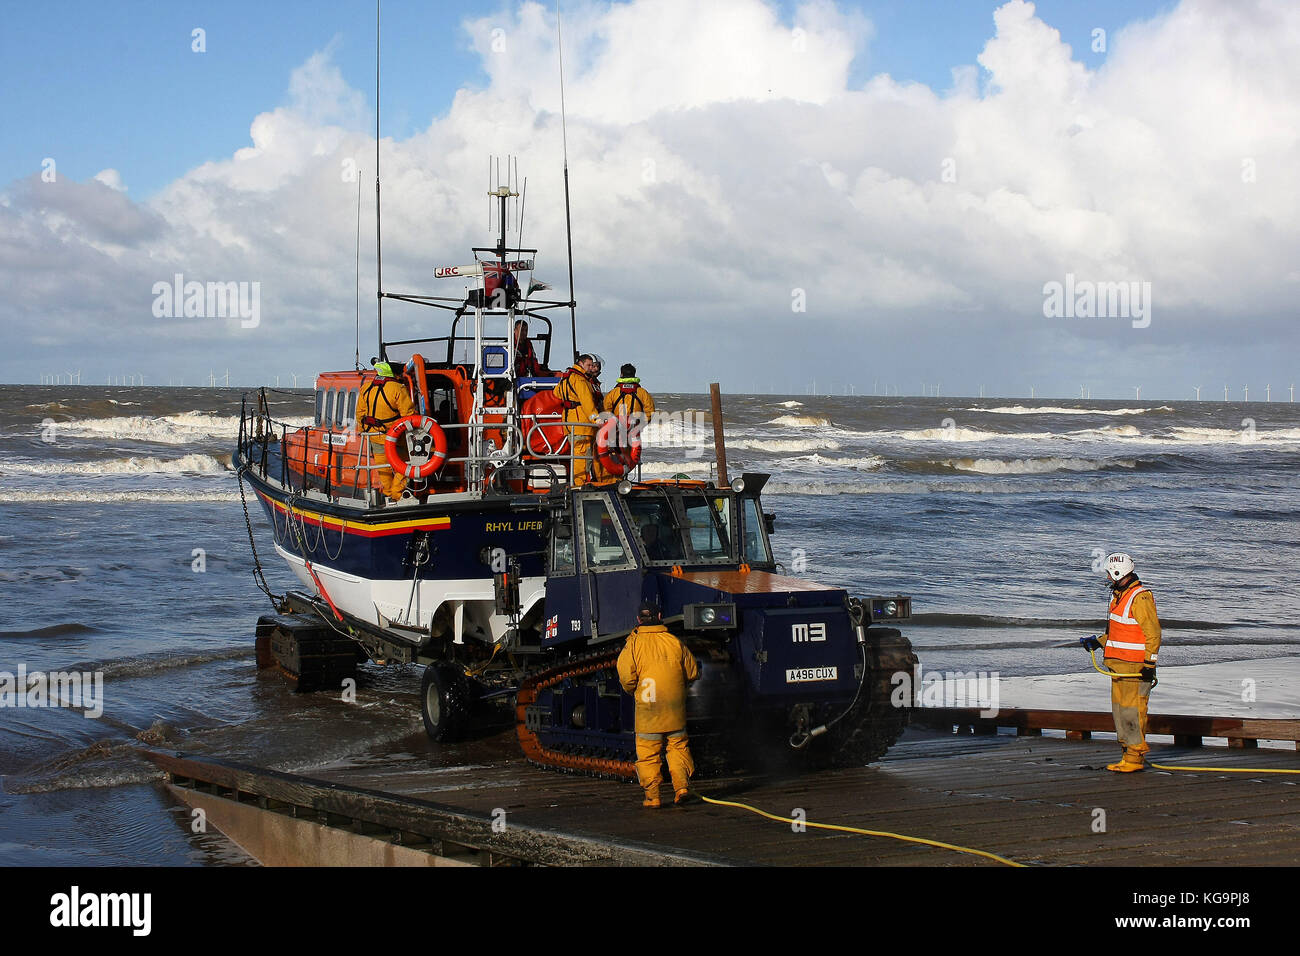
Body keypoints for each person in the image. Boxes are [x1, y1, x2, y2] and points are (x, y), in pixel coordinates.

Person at [1080, 552, 1161, 772]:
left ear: (1118, 572)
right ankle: (1128, 755)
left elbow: (1153, 634)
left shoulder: (1139, 597)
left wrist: (1149, 665)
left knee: (1132, 711)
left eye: (1109, 573)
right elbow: (1122, 633)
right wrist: (1098, 642)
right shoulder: (1120, 596)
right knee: (1120, 711)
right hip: (1119, 667)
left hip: (1135, 668)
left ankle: (1135, 758)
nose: (1107, 577)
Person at [616, 600, 700, 808]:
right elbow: (692, 672)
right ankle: (681, 788)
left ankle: (653, 797)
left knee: (648, 753)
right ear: (660, 616)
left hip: (648, 712)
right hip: (674, 710)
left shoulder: (633, 645)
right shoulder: (674, 642)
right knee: (678, 746)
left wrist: (633, 690)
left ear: (638, 620)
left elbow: (626, 677)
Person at [358, 359, 417, 502]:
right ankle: (397, 495)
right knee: (404, 466)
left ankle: (389, 495)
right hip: (395, 438)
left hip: (373, 435)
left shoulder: (366, 388)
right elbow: (408, 415)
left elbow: (360, 413)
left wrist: (363, 431)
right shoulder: (398, 389)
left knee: (383, 470)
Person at [555, 354, 601, 486]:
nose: (591, 368)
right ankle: (580, 484)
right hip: (582, 424)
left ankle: (578, 482)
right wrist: (596, 419)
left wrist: (570, 398)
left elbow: (556, 393)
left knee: (576, 455)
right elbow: (587, 403)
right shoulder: (581, 381)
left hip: (569, 422)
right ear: (581, 364)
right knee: (582, 457)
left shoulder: (566, 378)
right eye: (589, 365)